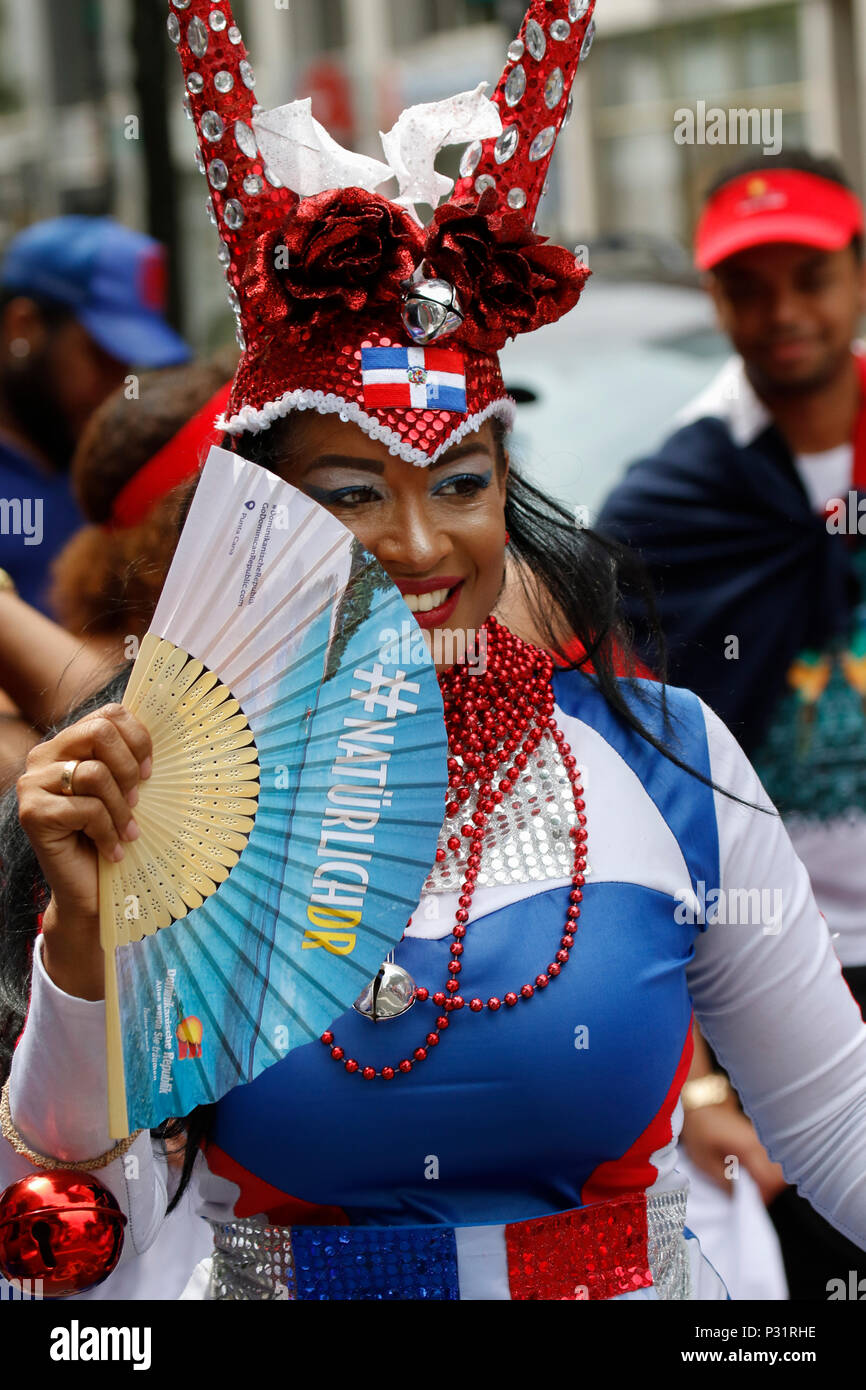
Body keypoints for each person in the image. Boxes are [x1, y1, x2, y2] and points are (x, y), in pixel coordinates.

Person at [3, 0, 866, 1303]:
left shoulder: (663, 759)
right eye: (351, 494)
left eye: (459, 482)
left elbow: (838, 1124)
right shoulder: (156, 803)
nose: (417, 542)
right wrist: (80, 937)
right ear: (256, 514)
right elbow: (67, 1252)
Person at [597, 149, 866, 1298]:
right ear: (713, 299)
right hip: (772, 965)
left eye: (808, 276)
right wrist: (698, 1076)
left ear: (857, 273)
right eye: (746, 286)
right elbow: (637, 782)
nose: (781, 311)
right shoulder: (668, 505)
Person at [0, 216, 191, 613]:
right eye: (101, 357)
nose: (118, 390)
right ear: (24, 326)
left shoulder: (115, 481)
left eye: (128, 366)